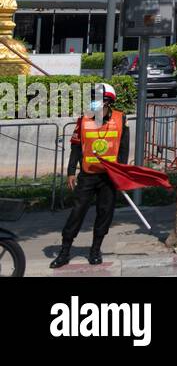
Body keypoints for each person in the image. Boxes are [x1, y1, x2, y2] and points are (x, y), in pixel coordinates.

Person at [51, 83, 130, 268]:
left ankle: (95, 250)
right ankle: (64, 251)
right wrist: (71, 172)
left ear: (108, 103)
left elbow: (123, 149)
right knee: (77, 212)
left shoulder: (120, 119)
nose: (93, 104)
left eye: (98, 101)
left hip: (109, 177)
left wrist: (121, 172)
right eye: (92, 100)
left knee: (105, 213)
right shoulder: (84, 120)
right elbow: (76, 147)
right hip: (88, 175)